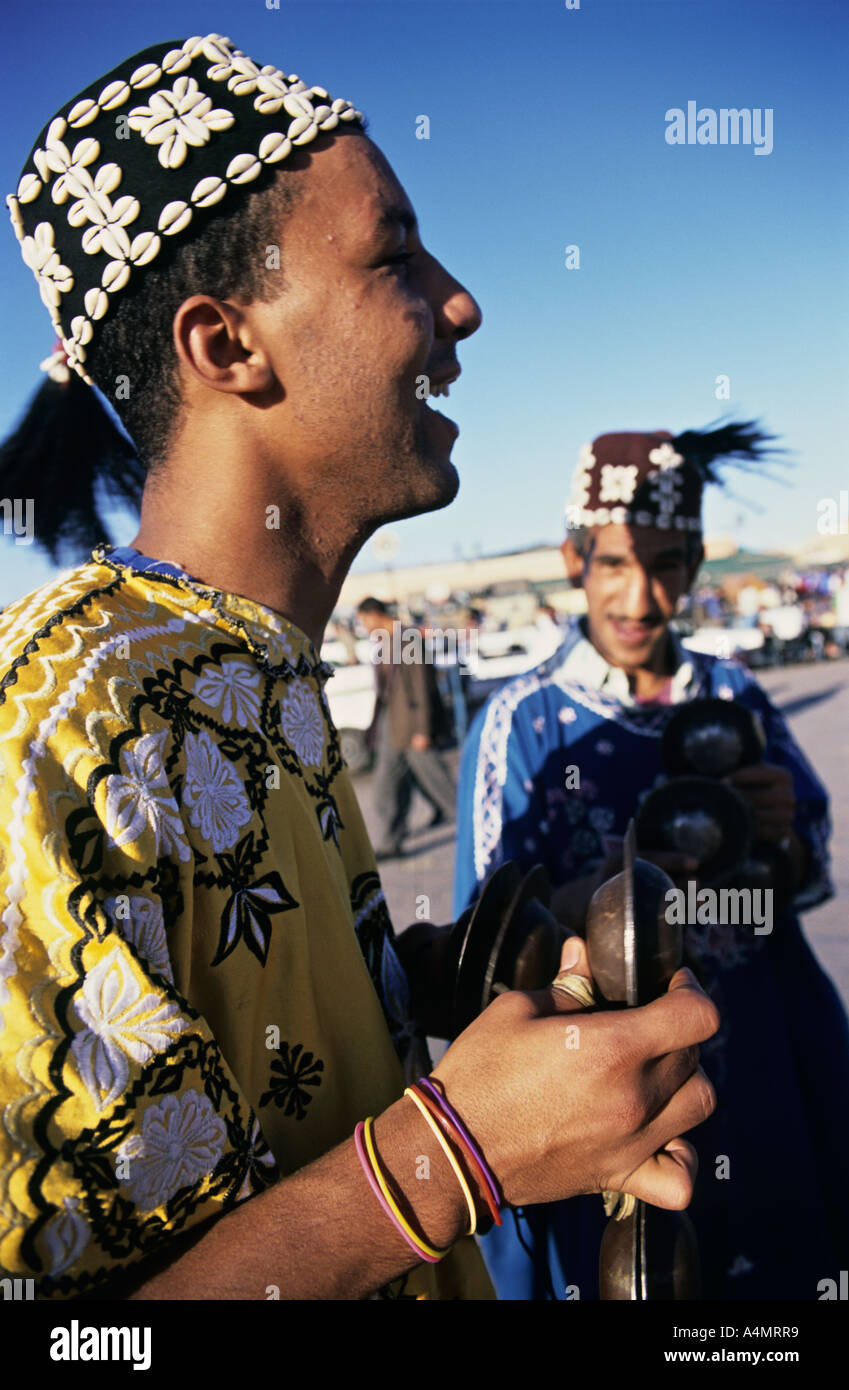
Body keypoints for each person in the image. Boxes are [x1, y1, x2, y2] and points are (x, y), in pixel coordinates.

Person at [0, 35, 718, 1300]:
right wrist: (458, 1157)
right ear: (226, 345)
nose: (462, 303)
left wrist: (435, 980)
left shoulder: (258, 669)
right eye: (395, 256)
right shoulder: (59, 717)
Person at [455, 426, 849, 1299]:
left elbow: (806, 875)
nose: (641, 597)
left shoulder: (732, 692)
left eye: (668, 566)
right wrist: (609, 899)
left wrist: (780, 835)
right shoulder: (520, 723)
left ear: (697, 563)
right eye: (615, 567)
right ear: (573, 559)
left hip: (767, 1059)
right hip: (613, 1099)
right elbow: (484, 954)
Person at [357, 596, 456, 858]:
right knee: (393, 784)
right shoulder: (384, 641)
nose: (363, 626)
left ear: (375, 615)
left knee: (437, 785)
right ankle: (391, 842)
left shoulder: (408, 638)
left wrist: (422, 729)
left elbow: (421, 686)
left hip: (411, 723)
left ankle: (476, 821)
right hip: (392, 722)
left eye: (364, 620)